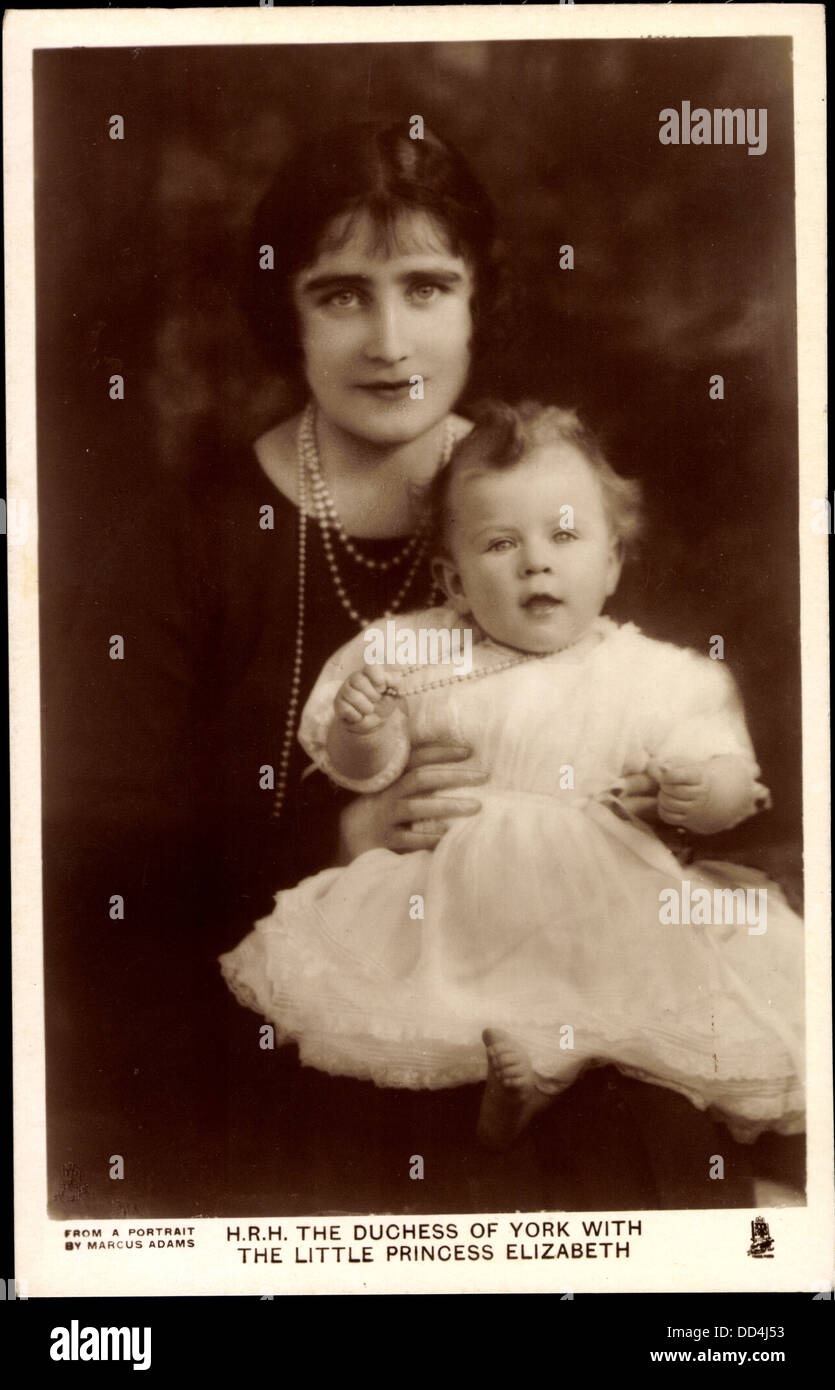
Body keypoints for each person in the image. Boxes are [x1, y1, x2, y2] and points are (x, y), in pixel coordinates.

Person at [219, 400, 805, 1153]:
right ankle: (506, 1090)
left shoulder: (649, 675)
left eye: (564, 535)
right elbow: (364, 771)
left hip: (597, 894)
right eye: (500, 544)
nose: (536, 561)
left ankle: (549, 1074)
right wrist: (361, 727)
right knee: (439, 1002)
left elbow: (728, 778)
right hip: (449, 894)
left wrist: (707, 793)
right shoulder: (421, 652)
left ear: (612, 561)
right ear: (453, 579)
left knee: (626, 991)